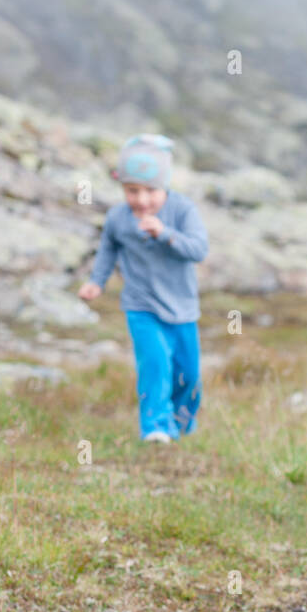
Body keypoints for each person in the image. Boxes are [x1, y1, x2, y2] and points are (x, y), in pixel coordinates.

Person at [78, 134, 208, 443]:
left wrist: (165, 233)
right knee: (156, 364)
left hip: (182, 308)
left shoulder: (182, 210)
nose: (142, 200)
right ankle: (155, 428)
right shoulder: (118, 218)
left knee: (188, 375)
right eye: (132, 190)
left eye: (151, 191)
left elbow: (198, 249)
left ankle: (181, 421)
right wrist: (97, 281)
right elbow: (108, 249)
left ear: (166, 186)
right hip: (141, 306)